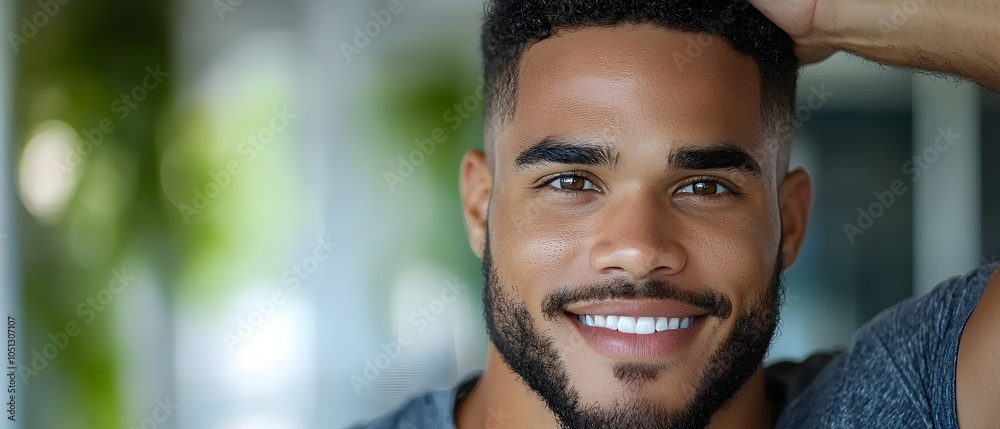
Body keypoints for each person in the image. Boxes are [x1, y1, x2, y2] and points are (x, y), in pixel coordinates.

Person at [358, 0, 1000, 427]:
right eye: (571, 180)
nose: (638, 248)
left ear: (791, 223)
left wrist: (826, 10)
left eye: (705, 187)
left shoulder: (909, 398)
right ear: (480, 206)